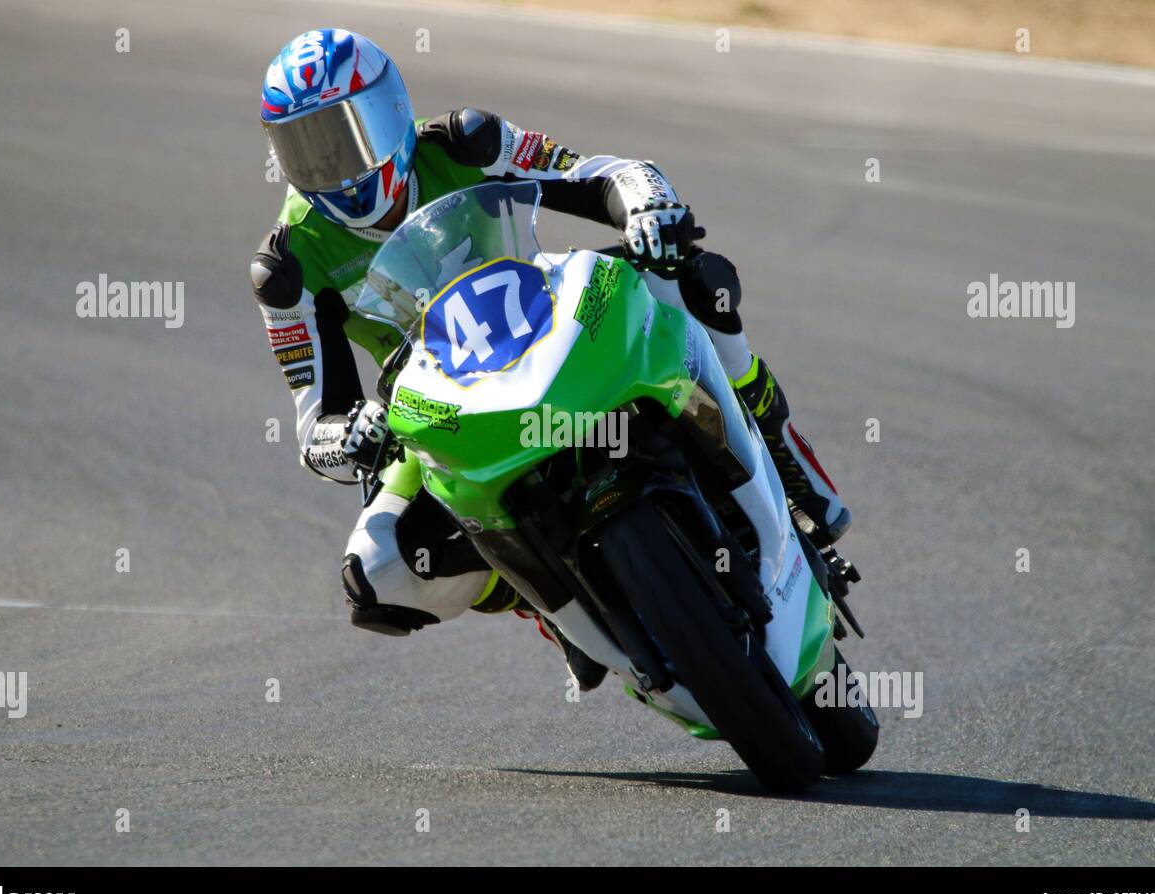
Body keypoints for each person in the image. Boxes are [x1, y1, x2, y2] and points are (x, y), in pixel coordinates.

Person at [251, 28, 851, 658]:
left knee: (688, 274)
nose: (336, 169)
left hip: (556, 320)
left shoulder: (464, 140)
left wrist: (647, 207)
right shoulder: (287, 266)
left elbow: (599, 174)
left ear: (393, 109)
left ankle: (779, 449)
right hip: (443, 409)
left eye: (347, 135)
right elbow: (315, 425)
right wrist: (345, 438)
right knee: (375, 571)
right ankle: (538, 596)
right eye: (307, 150)